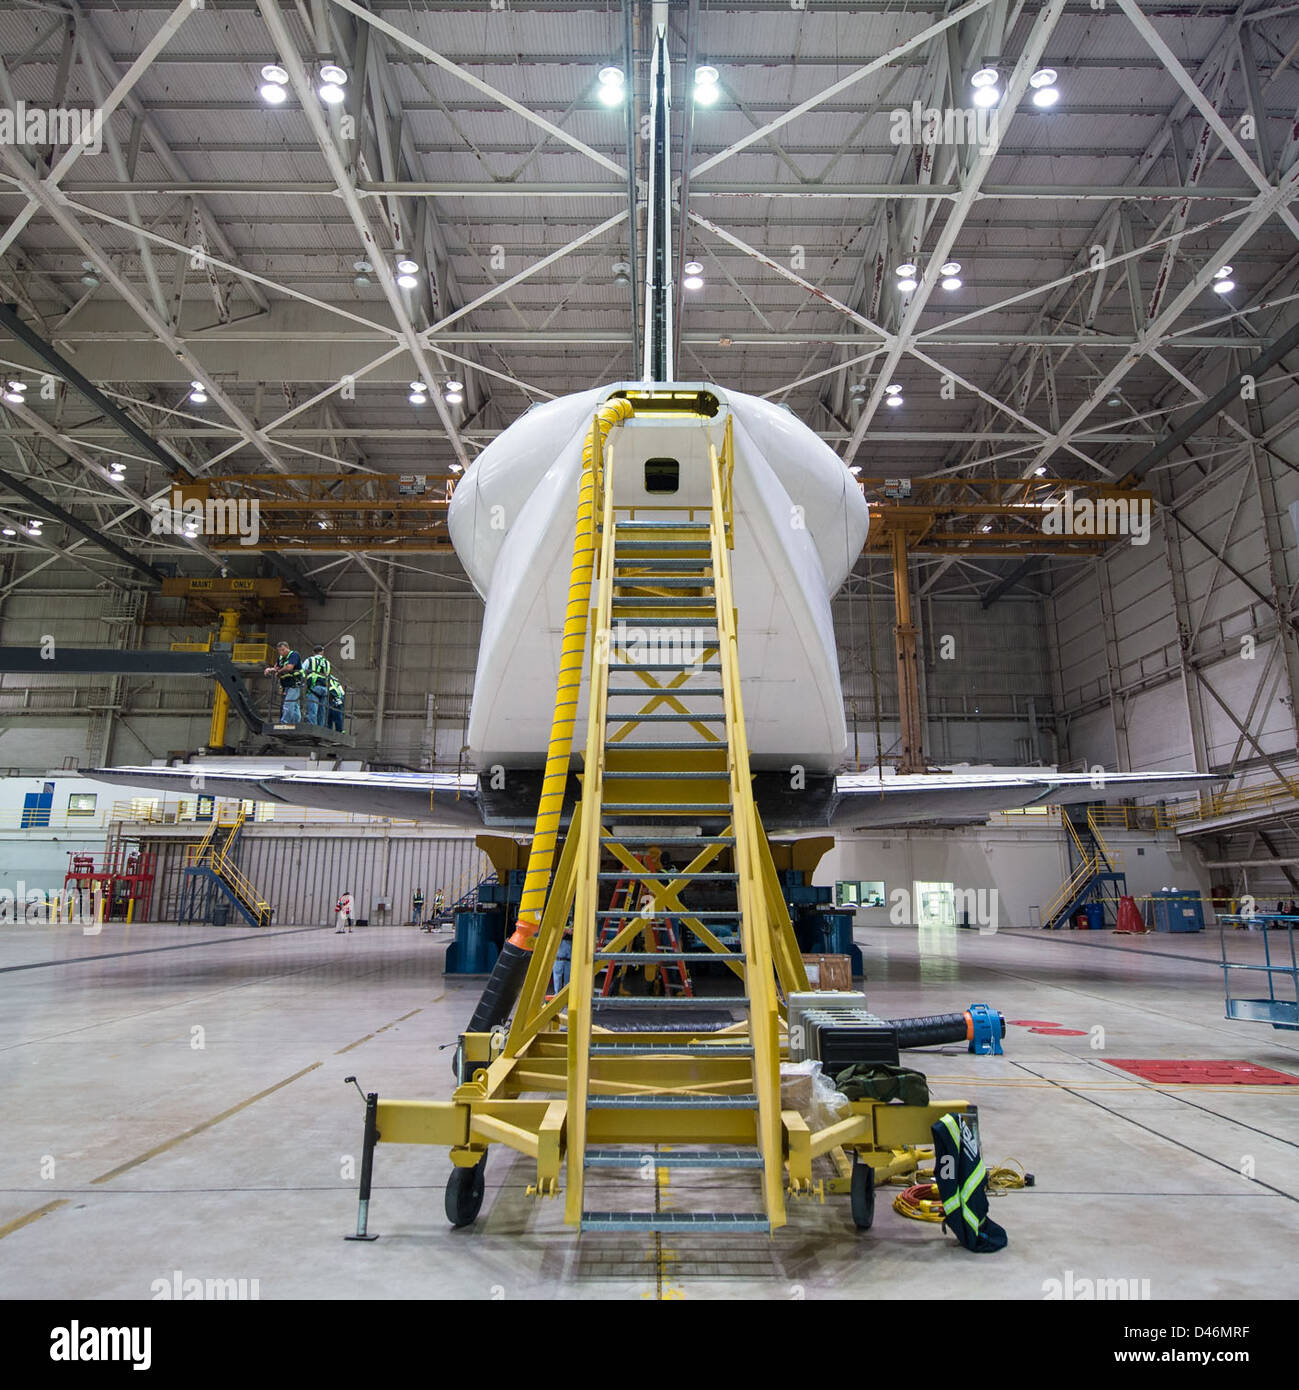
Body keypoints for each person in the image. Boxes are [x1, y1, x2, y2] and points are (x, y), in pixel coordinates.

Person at [264, 641, 302, 724]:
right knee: (294, 706)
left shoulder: (294, 655)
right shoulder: (280, 658)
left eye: (283, 650)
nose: (281, 652)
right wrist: (269, 669)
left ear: (287, 648)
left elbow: (289, 667)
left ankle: (285, 722)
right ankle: (296, 723)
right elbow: (276, 668)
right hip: (285, 685)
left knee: (289, 704)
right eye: (280, 651)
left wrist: (279, 671)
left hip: (294, 684)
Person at [301, 645, 332, 726]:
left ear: (313, 652)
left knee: (312, 711)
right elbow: (327, 674)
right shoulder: (327, 662)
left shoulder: (310, 660)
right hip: (324, 689)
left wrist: (303, 683)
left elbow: (302, 671)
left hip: (313, 688)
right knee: (322, 711)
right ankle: (320, 729)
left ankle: (312, 728)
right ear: (322, 652)